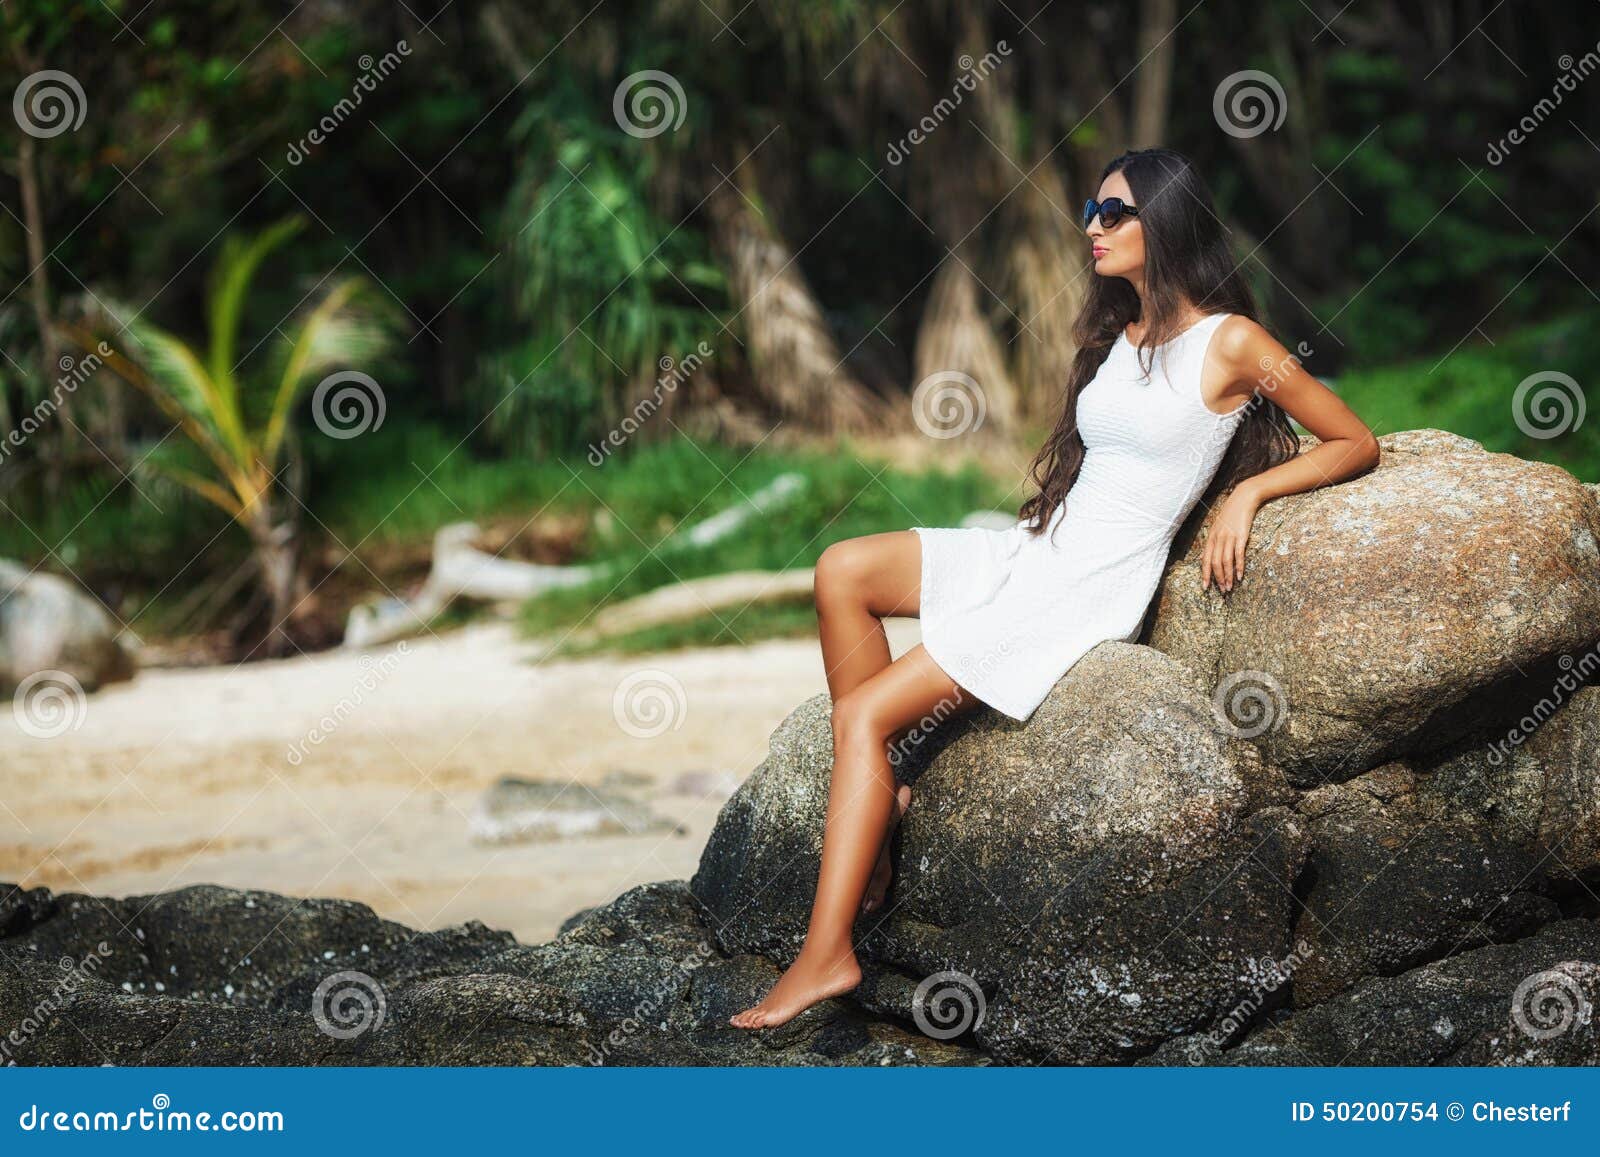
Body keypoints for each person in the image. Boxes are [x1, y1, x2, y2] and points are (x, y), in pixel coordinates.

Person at [729, 146, 1380, 1030]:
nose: (1093, 228)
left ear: (1167, 220)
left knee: (865, 715)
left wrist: (1249, 493)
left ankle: (826, 951)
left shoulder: (1231, 341)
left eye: (1114, 212)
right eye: (1090, 210)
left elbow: (1353, 439)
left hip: (1083, 585)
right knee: (842, 568)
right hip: (1036, 551)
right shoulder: (1124, 335)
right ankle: (875, 793)